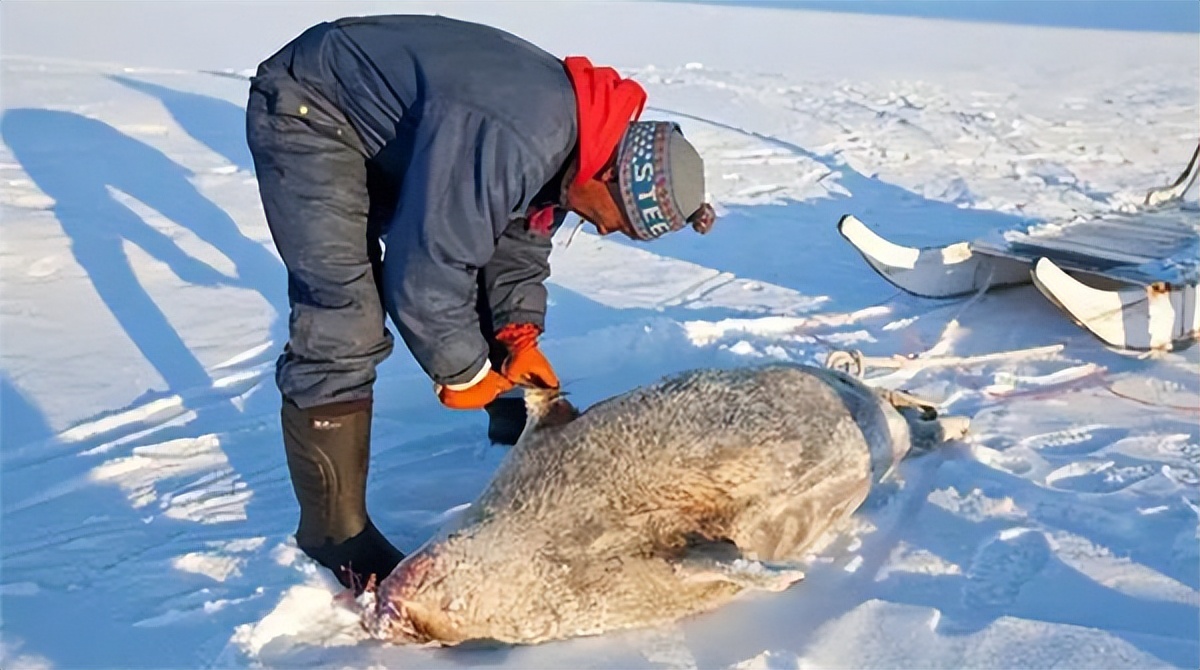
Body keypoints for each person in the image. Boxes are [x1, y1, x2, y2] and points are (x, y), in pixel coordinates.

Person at [245, 14, 716, 592]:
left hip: (393, 128)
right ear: (614, 176)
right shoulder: (521, 135)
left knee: (467, 248)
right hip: (313, 108)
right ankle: (333, 534)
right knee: (345, 311)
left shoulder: (580, 139)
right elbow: (426, 268)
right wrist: (461, 371)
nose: (604, 230)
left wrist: (519, 335)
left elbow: (516, 236)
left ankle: (506, 415)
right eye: (618, 221)